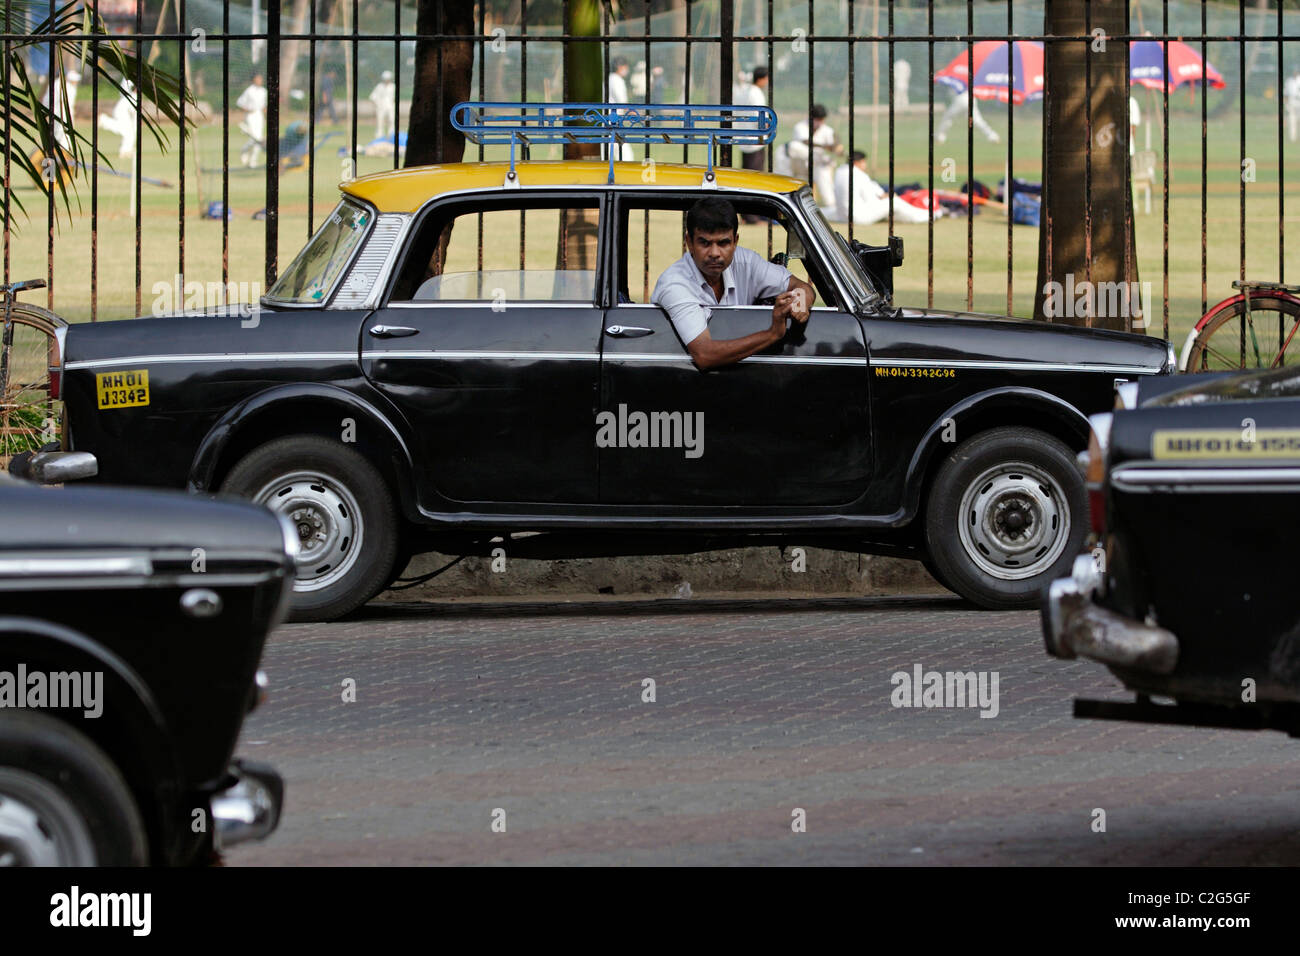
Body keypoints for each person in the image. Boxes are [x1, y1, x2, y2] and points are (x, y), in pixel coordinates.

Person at [650, 197, 816, 370]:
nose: (714, 253)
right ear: (689, 242)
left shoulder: (746, 262)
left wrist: (801, 300)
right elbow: (705, 355)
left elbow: (802, 287)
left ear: (735, 241)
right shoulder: (674, 283)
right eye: (705, 243)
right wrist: (772, 334)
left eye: (723, 243)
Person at [828, 151, 934, 225]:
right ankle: (926, 216)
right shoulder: (859, 174)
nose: (865, 165)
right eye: (864, 162)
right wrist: (884, 198)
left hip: (841, 216)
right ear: (857, 162)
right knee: (894, 202)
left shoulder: (839, 171)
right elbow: (869, 199)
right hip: (859, 218)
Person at [774, 104, 842, 207]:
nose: (820, 123)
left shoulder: (827, 130)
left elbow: (837, 144)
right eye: (817, 119)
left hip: (813, 165)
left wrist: (837, 145)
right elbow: (805, 142)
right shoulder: (800, 127)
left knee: (824, 165)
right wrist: (826, 146)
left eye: (822, 120)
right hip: (793, 163)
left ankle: (831, 205)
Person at [934, 88, 999, 144]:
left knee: (948, 117)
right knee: (977, 120)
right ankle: (992, 136)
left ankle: (940, 136)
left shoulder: (957, 78)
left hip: (961, 99)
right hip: (970, 98)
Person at [97, 79, 137, 159]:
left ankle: (126, 150)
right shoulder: (134, 96)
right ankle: (104, 120)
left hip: (121, 111)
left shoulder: (131, 94)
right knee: (128, 131)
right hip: (122, 112)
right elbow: (133, 111)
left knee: (128, 132)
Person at [236, 73, 268, 167]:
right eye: (257, 79)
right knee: (255, 138)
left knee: (259, 138)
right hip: (250, 115)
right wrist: (247, 110)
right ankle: (244, 150)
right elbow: (240, 102)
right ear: (253, 80)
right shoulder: (249, 91)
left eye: (260, 79)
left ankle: (253, 160)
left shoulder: (263, 91)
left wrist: (264, 113)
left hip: (259, 115)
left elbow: (264, 105)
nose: (259, 81)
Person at [607, 57, 633, 160]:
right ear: (619, 67)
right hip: (613, 120)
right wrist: (633, 113)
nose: (626, 69)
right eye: (625, 67)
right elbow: (622, 102)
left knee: (611, 149)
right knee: (625, 154)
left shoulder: (610, 78)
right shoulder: (616, 80)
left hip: (609, 119)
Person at [370, 70, 396, 141]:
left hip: (390, 106)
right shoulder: (379, 86)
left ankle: (392, 135)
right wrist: (377, 104)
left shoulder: (393, 87)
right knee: (380, 121)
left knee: (391, 120)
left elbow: (393, 97)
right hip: (381, 106)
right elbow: (373, 96)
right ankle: (379, 136)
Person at [1285, 65, 1300, 144]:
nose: (1295, 72)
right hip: (1291, 101)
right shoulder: (1289, 81)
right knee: (1291, 120)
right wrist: (1286, 103)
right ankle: (1293, 138)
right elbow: (1286, 93)